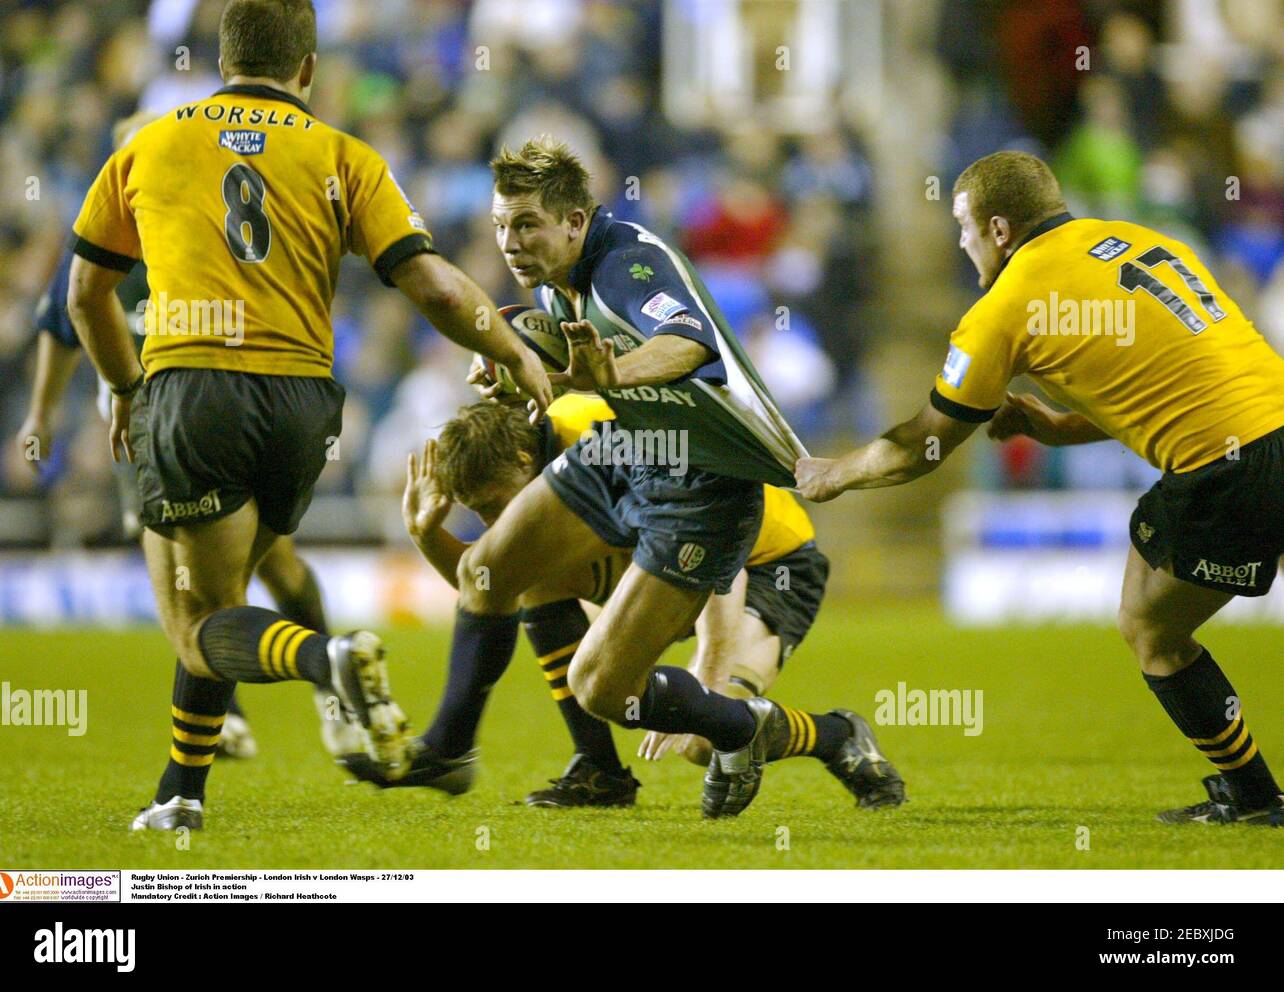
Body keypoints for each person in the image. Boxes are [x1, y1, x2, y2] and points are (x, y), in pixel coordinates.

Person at [66, 0, 550, 831]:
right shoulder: (344, 153)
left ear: (221, 60)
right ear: (310, 69)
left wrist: (123, 385)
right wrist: (513, 350)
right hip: (302, 405)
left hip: (195, 386)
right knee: (229, 586)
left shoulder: (149, 142)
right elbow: (431, 284)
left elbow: (86, 294)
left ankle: (326, 658)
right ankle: (181, 791)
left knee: (198, 623)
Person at [396, 136, 896, 819]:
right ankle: (451, 750)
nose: (509, 242)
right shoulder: (558, 280)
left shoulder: (625, 265)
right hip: (627, 450)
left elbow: (687, 340)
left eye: (526, 225)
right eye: (500, 227)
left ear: (576, 222)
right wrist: (513, 359)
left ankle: (786, 730)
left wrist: (614, 374)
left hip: (708, 487)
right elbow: (560, 346)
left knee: (603, 689)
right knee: (493, 569)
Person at [797, 150, 1283, 827]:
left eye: (964, 227)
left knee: (1151, 628)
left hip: (1226, 471)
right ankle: (1254, 796)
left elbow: (925, 443)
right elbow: (1179, 378)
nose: (962, 244)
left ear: (998, 229)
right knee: (1152, 607)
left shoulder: (1007, 304)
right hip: (1269, 431)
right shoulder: (1145, 241)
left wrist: (836, 473)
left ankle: (1256, 797)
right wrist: (1059, 426)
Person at [16, 110, 357, 763]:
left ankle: (322, 684)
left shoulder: (207, 235)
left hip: (210, 419)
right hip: (141, 435)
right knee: (192, 590)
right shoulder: (101, 240)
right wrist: (41, 414)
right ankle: (239, 710)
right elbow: (65, 325)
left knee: (257, 573)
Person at [384, 393, 902, 810]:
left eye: (493, 505)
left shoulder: (588, 431)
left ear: (524, 460)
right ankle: (599, 771)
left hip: (765, 567)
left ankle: (835, 735)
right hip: (672, 562)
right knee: (540, 583)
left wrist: (707, 687)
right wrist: (426, 535)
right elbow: (492, 591)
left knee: (703, 742)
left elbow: (720, 556)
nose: (490, 524)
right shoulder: (561, 464)